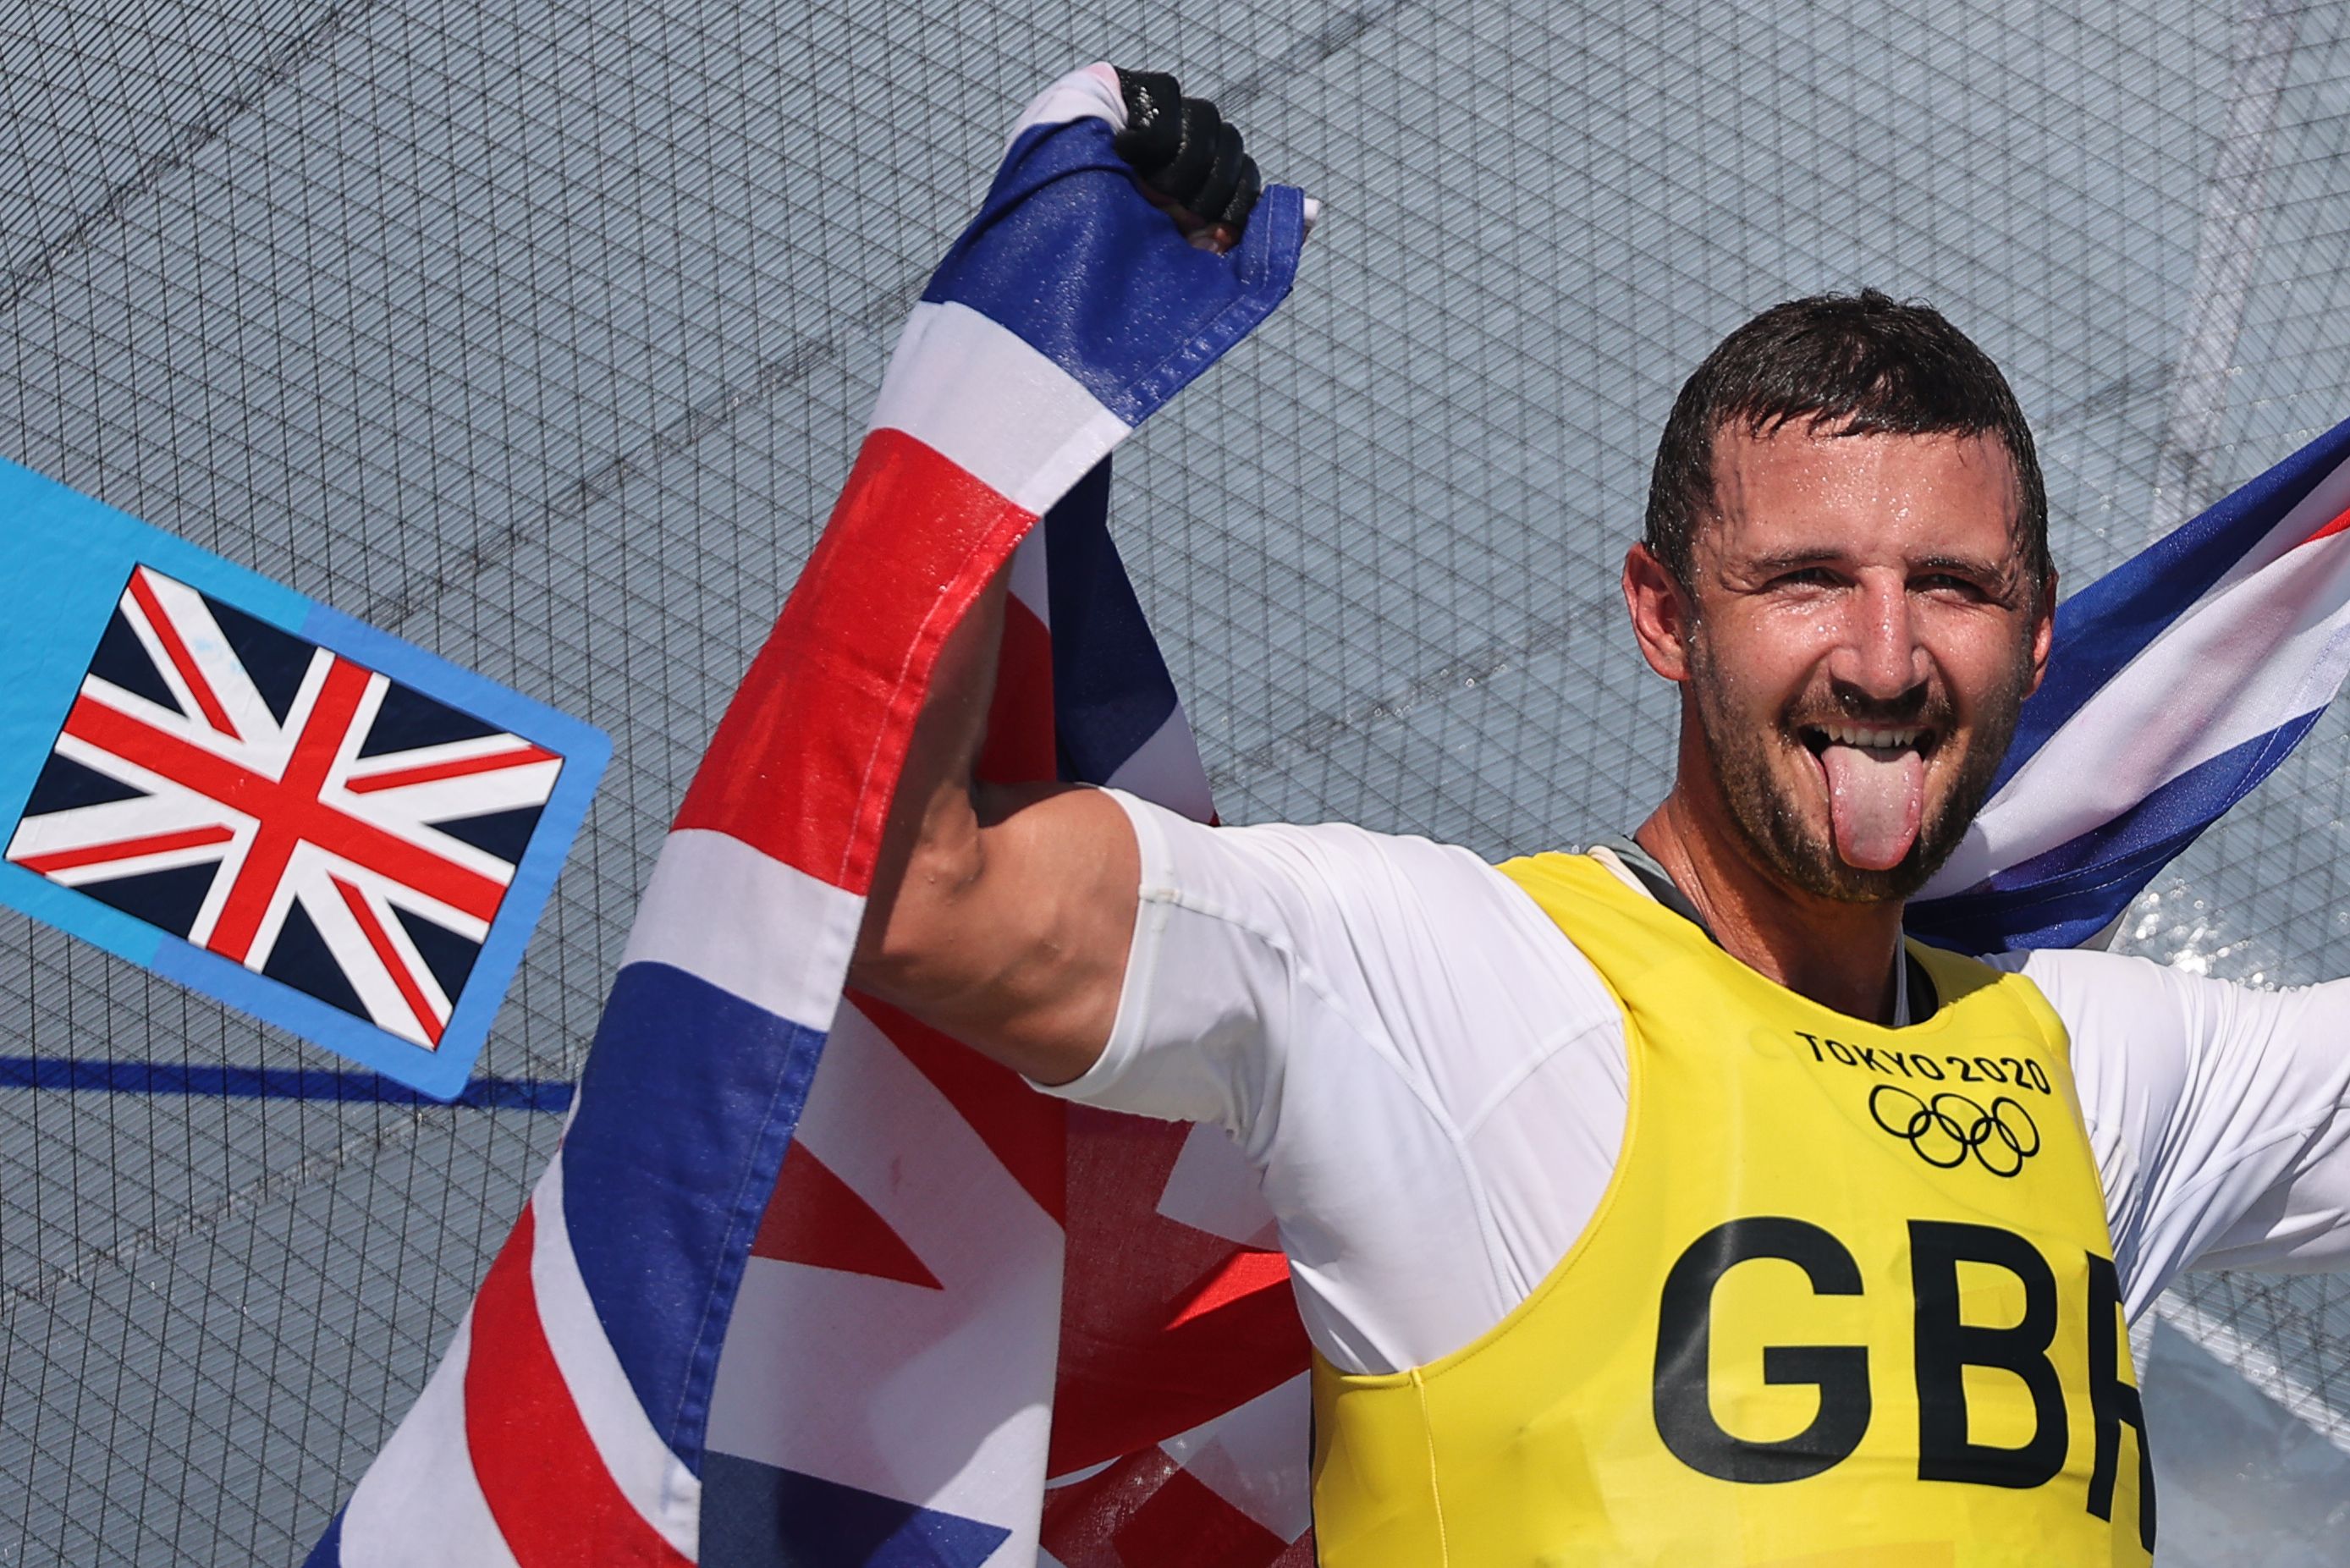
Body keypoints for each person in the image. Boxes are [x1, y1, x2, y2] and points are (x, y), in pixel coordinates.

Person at [848, 74, 2350, 1566]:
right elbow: (919, 890)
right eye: (1805, 579)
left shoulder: (2113, 1073)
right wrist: (1022, 357)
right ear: (1663, 614)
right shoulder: (1439, 976)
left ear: (2032, 638)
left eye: (1950, 587)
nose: (1884, 659)